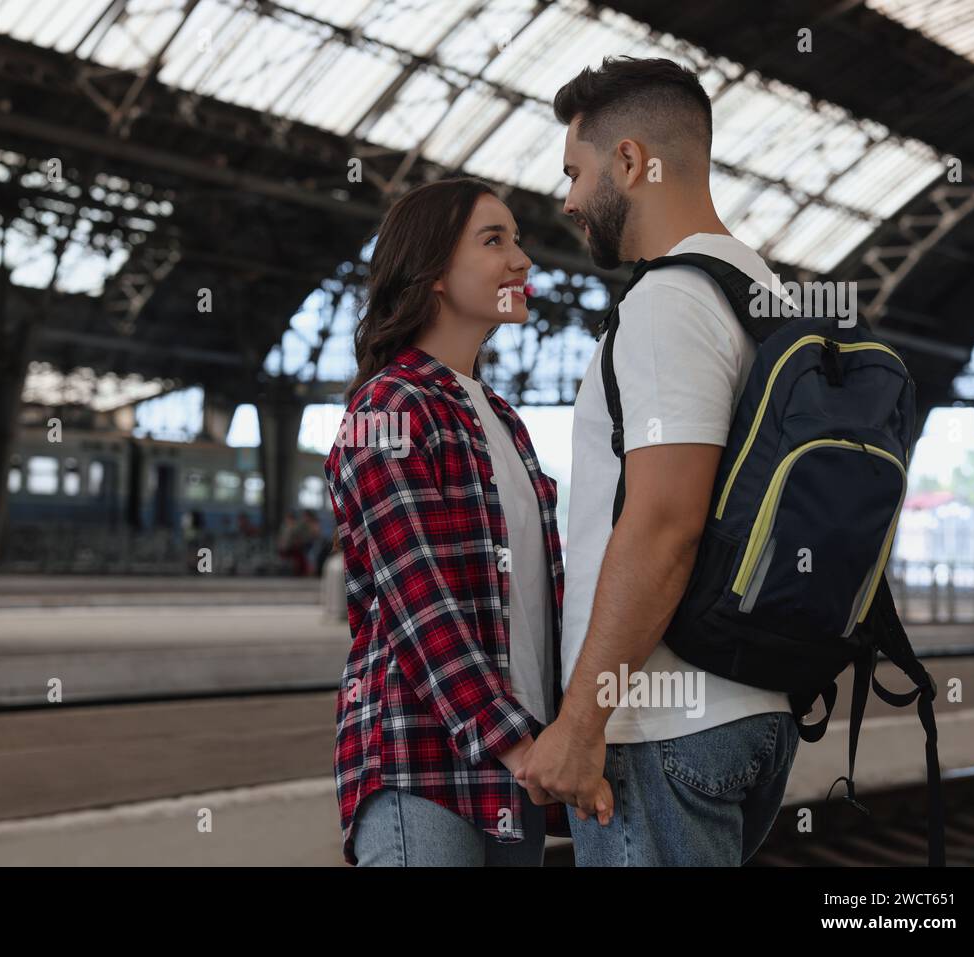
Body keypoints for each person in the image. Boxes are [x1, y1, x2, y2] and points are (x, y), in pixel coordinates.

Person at [517, 56, 799, 866]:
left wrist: (582, 721)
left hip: (664, 723)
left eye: (576, 171)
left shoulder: (668, 304)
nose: (569, 199)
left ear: (633, 162)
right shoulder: (757, 293)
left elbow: (665, 523)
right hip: (748, 704)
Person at [324, 176, 601, 866]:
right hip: (425, 764)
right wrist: (522, 743)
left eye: (518, 240)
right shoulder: (387, 409)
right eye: (494, 240)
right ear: (434, 271)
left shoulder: (501, 418)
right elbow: (423, 606)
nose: (522, 261)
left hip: (516, 767)